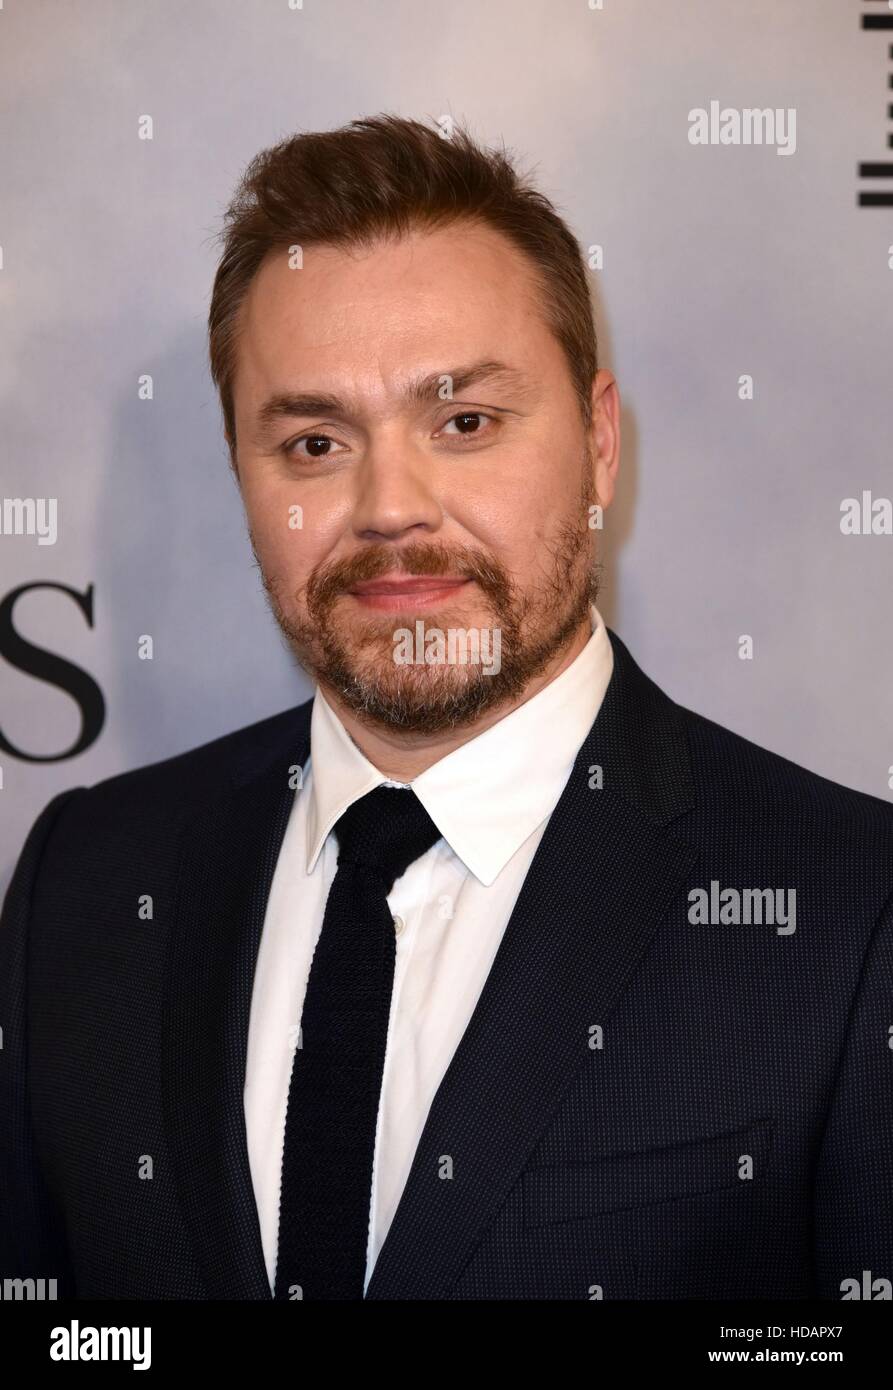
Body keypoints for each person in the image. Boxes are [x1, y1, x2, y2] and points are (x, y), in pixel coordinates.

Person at [2, 115, 891, 1301]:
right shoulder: (86, 882)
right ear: (241, 475)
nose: (390, 509)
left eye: (462, 422)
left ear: (599, 444)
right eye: (313, 441)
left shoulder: (846, 913)